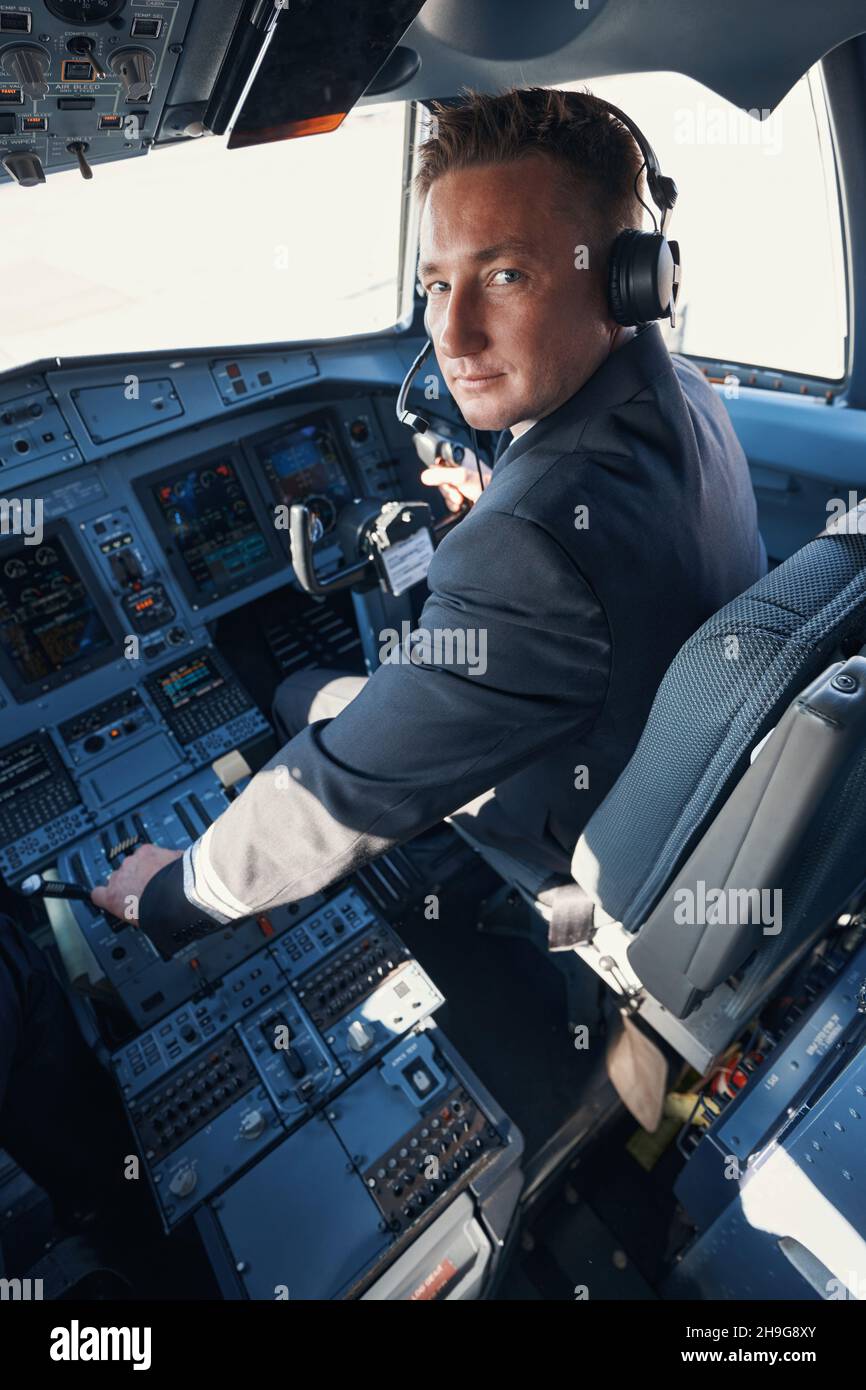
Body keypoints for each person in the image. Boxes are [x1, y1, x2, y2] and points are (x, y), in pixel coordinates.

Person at [91, 87, 767, 959]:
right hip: (680, 771)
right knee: (333, 693)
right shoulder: (693, 398)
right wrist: (503, 504)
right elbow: (592, 550)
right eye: (437, 284)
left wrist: (176, 890)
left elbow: (348, 789)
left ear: (629, 279)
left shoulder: (528, 544)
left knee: (304, 699)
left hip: (590, 827)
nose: (452, 333)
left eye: (504, 275)